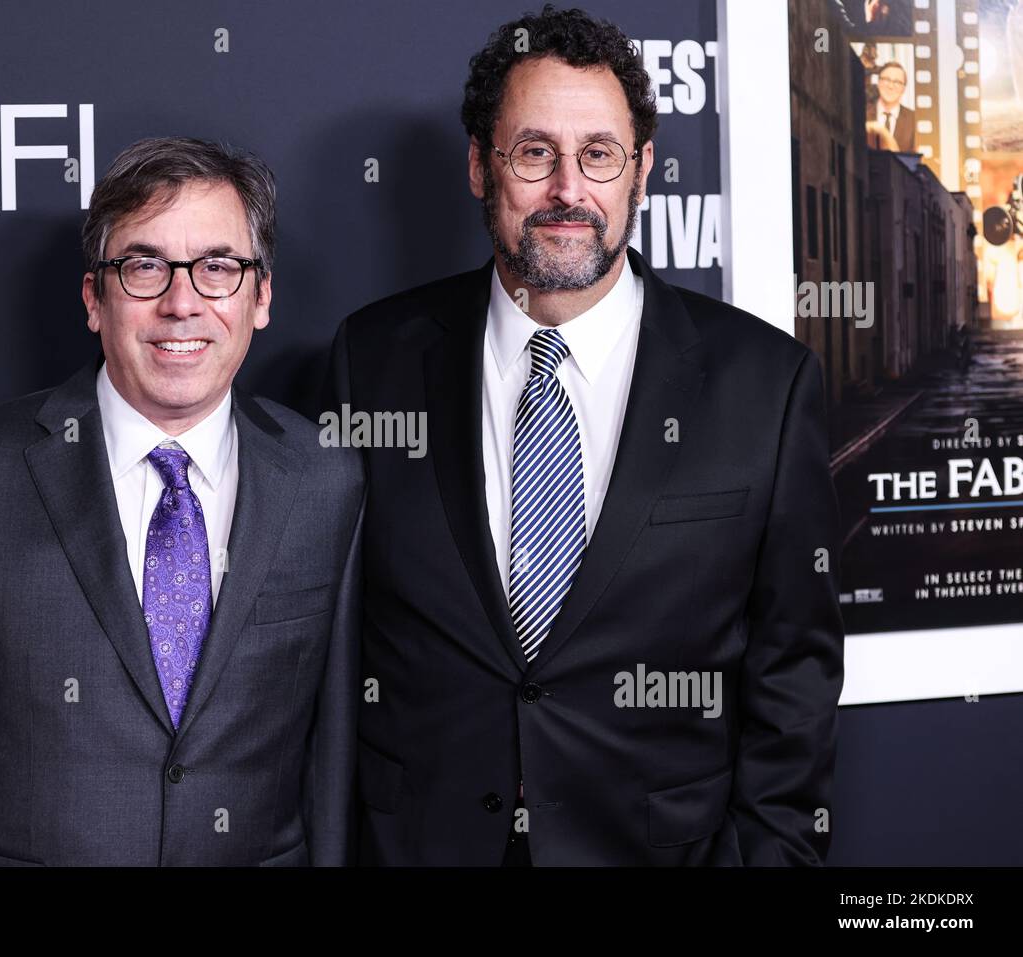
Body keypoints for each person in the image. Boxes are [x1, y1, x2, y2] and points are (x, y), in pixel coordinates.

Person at [325, 5, 844, 865]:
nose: (569, 189)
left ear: (641, 170)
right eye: (534, 152)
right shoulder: (372, 360)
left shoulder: (766, 385)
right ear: (479, 169)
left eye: (598, 154)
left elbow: (794, 676)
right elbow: (336, 647)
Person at [0, 136, 364, 866]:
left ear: (261, 295)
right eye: (145, 266)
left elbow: (330, 770)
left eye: (218, 267)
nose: (182, 303)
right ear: (95, 297)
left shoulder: (326, 480)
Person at [868, 62, 916, 153]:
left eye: (897, 82)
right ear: (878, 82)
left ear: (904, 88)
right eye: (886, 79)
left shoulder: (914, 119)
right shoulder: (861, 113)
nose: (890, 86)